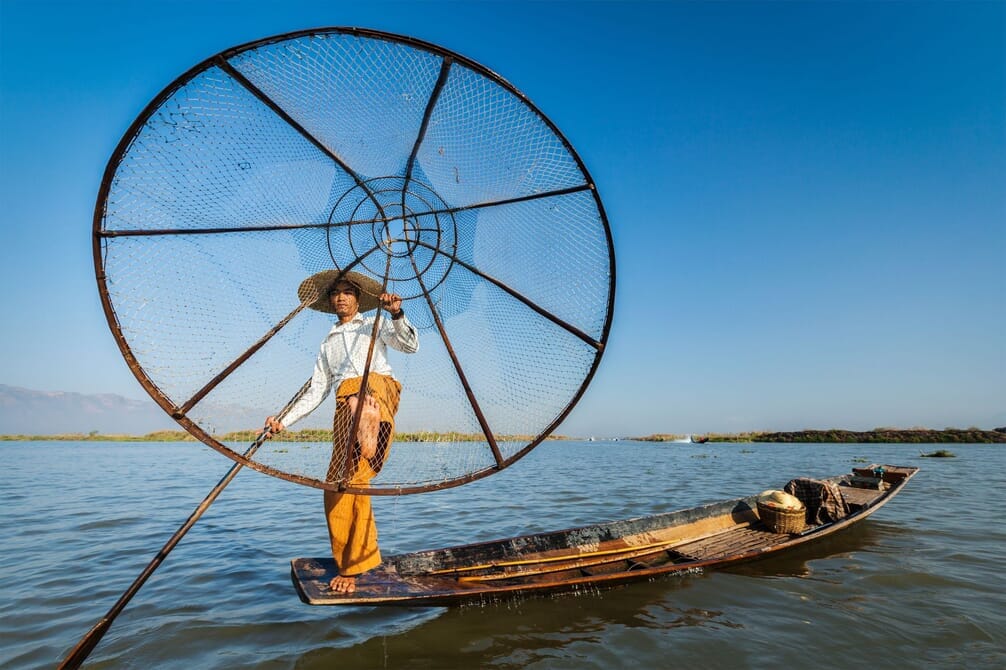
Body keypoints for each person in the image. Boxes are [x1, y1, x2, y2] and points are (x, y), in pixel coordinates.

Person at [264, 269, 418, 593]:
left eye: (348, 291)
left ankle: (352, 567)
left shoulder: (373, 325)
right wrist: (283, 420)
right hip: (344, 410)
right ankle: (352, 557)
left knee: (357, 399)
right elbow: (316, 391)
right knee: (337, 486)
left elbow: (409, 345)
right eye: (336, 292)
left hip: (377, 389)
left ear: (358, 298)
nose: (341, 297)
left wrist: (397, 314)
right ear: (331, 300)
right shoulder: (327, 343)